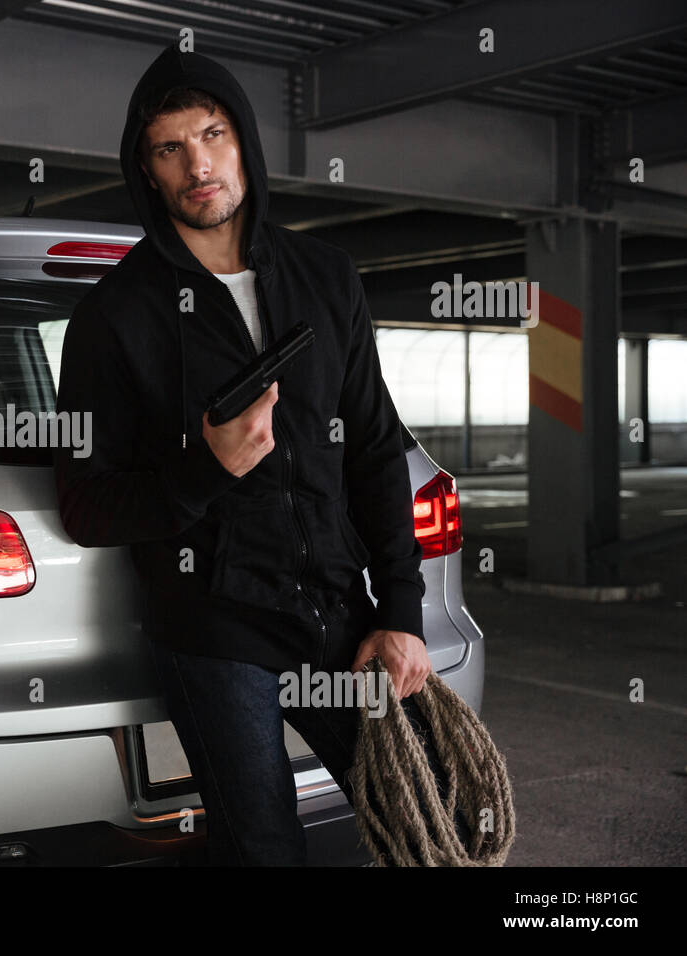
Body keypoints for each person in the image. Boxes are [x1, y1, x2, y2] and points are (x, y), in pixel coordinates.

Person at [52, 44, 452, 865]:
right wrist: (208, 466)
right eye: (171, 148)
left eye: (214, 134)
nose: (198, 164)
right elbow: (87, 506)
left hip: (338, 614)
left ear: (243, 143)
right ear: (148, 170)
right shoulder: (115, 316)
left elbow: (375, 448)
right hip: (213, 628)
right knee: (266, 847)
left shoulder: (327, 277)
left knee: (430, 804)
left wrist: (400, 613)